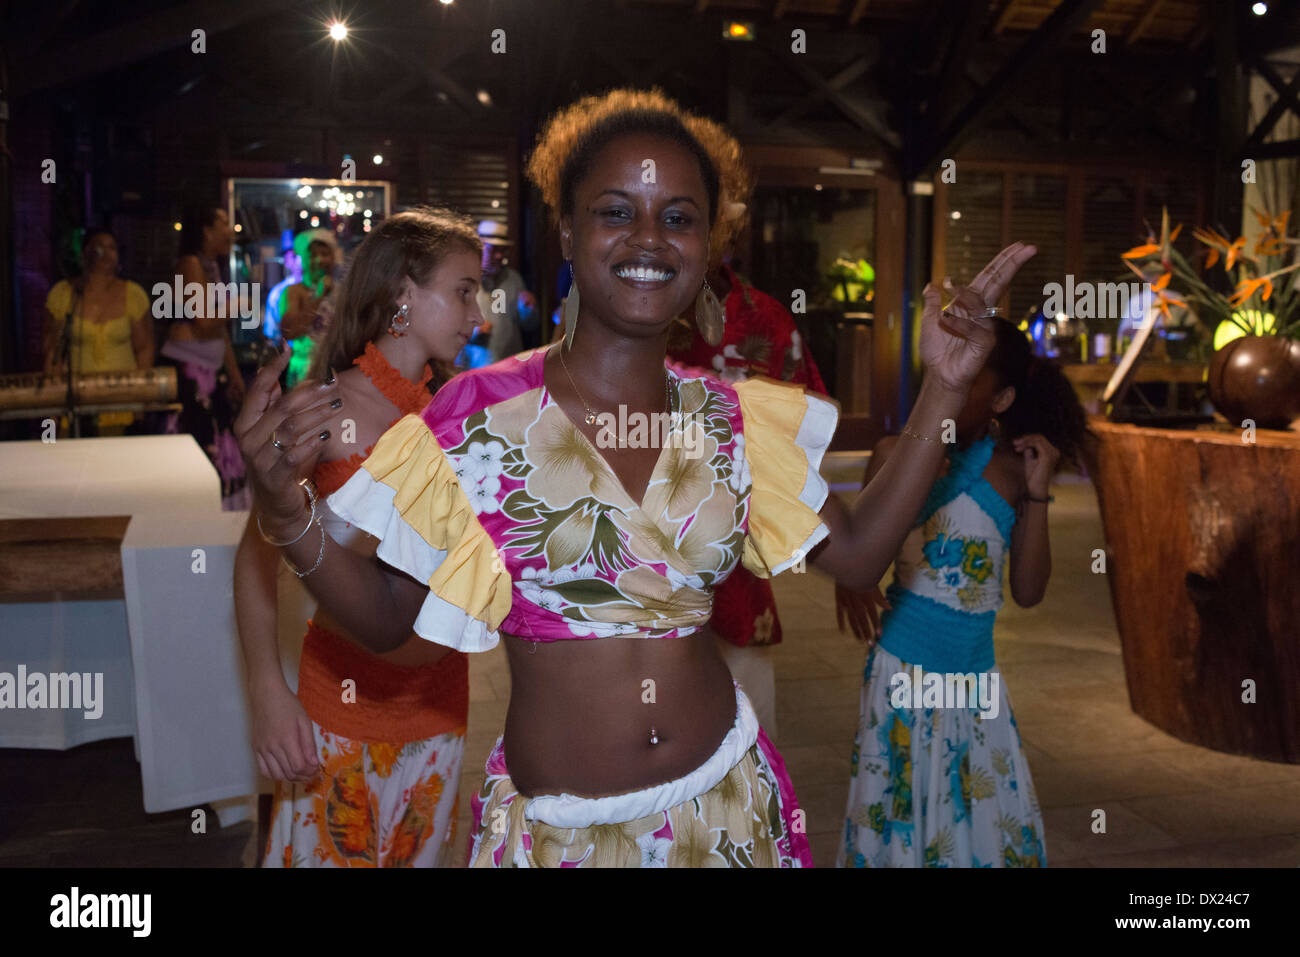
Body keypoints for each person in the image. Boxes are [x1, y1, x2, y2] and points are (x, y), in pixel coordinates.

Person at [235, 87, 1037, 868]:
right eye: (616, 210)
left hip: (724, 810)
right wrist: (287, 513)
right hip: (563, 837)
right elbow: (386, 626)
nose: (648, 238)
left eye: (678, 217)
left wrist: (941, 388)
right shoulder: (475, 419)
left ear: (707, 243)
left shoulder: (731, 421)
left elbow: (860, 555)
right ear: (567, 230)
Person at [234, 207, 485, 867]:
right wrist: (266, 687)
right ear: (404, 293)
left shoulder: (457, 418)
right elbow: (256, 553)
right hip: (334, 723)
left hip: (439, 719)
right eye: (463, 290)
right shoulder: (328, 413)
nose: (478, 313)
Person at [834, 318, 1090, 868]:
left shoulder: (1012, 473)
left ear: (1001, 398)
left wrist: (1040, 493)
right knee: (900, 817)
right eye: (940, 373)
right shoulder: (891, 455)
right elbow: (856, 557)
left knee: (982, 822)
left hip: (975, 682)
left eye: (967, 379)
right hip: (900, 674)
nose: (946, 388)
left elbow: (1028, 591)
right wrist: (850, 584)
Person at [663, 107, 829, 737]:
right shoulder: (602, 324)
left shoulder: (765, 321)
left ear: (724, 221)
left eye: (685, 214)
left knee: (744, 780)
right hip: (615, 603)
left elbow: (807, 444)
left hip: (734, 590)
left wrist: (837, 548)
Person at [161, 204, 248, 509]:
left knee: (221, 434)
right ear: (206, 231)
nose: (230, 230)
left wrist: (234, 374)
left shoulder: (212, 266)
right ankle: (198, 511)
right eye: (223, 223)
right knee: (200, 439)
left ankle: (223, 512)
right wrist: (239, 305)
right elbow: (202, 320)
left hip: (212, 368)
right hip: (191, 369)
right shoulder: (190, 263)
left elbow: (219, 331)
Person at [43, 228, 154, 375]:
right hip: (76, 391)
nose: (106, 253)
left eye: (112, 248)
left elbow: (144, 349)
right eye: (99, 247)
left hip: (125, 393)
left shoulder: (133, 294)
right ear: (85, 253)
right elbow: (52, 350)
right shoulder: (63, 293)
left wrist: (140, 386)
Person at [280, 229, 340, 388]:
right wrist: (319, 297)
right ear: (304, 259)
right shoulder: (294, 291)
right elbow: (288, 331)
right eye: (313, 255)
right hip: (304, 371)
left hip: (335, 369)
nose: (319, 260)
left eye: (325, 254)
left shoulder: (343, 292)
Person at [475, 220, 538, 361]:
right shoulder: (465, 279)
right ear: (479, 248)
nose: (499, 256)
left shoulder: (513, 278)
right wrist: (473, 332)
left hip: (509, 365)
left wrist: (528, 310)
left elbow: (530, 325)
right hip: (473, 367)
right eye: (494, 249)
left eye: (502, 250)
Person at [261, 231, 303, 344]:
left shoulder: (323, 289)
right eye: (294, 255)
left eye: (304, 254)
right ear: (286, 260)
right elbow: (272, 337)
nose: (300, 260)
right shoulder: (278, 293)